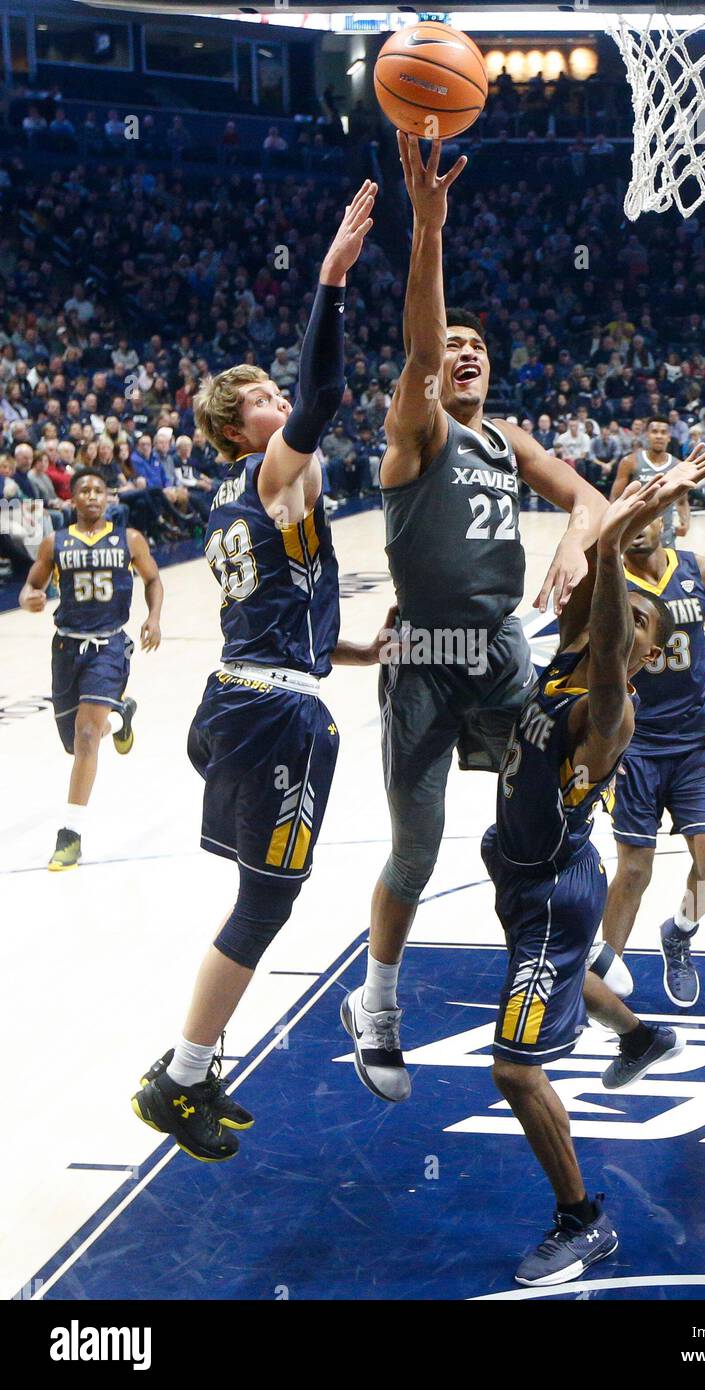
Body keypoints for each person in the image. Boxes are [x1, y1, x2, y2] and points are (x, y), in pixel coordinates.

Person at [341, 138, 615, 1106]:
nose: (462, 353)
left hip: (497, 649)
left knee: (547, 813)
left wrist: (576, 540)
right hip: (423, 654)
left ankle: (571, 973)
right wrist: (427, 227)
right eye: (452, 345)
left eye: (478, 347)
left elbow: (586, 496)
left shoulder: (508, 438)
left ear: (492, 372)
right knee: (415, 849)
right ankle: (376, 1004)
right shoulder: (417, 427)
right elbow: (419, 342)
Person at [131, 183, 387, 1163]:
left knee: (262, 896)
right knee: (264, 902)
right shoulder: (274, 477)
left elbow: (295, 633)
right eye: (265, 405)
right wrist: (329, 278)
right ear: (240, 432)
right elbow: (322, 396)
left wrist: (370, 649)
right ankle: (181, 1076)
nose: (285, 409)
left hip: (250, 698)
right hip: (270, 718)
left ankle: (193, 1065)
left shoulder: (244, 503)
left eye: (277, 398)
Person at [483, 479, 705, 1286]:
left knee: (513, 1066)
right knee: (563, 973)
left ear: (645, 653)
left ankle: (583, 1222)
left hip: (554, 889)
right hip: (518, 866)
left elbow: (610, 636)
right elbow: (581, 566)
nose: (623, 620)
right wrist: (611, 509)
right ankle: (642, 1036)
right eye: (625, 608)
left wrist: (615, 548)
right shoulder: (569, 653)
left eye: (641, 623)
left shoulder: (611, 709)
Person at [600, 513, 705, 1007]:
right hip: (635, 746)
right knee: (634, 869)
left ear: (666, 522)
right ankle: (605, 980)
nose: (638, 528)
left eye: (648, 519)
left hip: (696, 744)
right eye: (629, 520)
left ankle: (680, 931)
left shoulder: (701, 569)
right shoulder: (606, 585)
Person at [18, 469, 163, 870]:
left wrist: (153, 618)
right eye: (85, 490)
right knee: (75, 742)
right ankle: (121, 717)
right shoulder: (55, 543)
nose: (93, 495)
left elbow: (153, 579)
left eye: (99, 489)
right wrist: (31, 597)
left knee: (85, 737)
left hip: (108, 645)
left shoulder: (129, 539)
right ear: (74, 500)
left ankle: (70, 834)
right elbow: (31, 586)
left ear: (108, 497)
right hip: (66, 647)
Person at [610, 416, 689, 545]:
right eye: (654, 431)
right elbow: (615, 498)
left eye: (663, 433)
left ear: (669, 437)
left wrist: (685, 523)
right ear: (647, 435)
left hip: (666, 535)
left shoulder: (678, 466)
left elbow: (682, 502)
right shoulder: (629, 462)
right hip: (634, 534)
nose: (659, 436)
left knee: (668, 565)